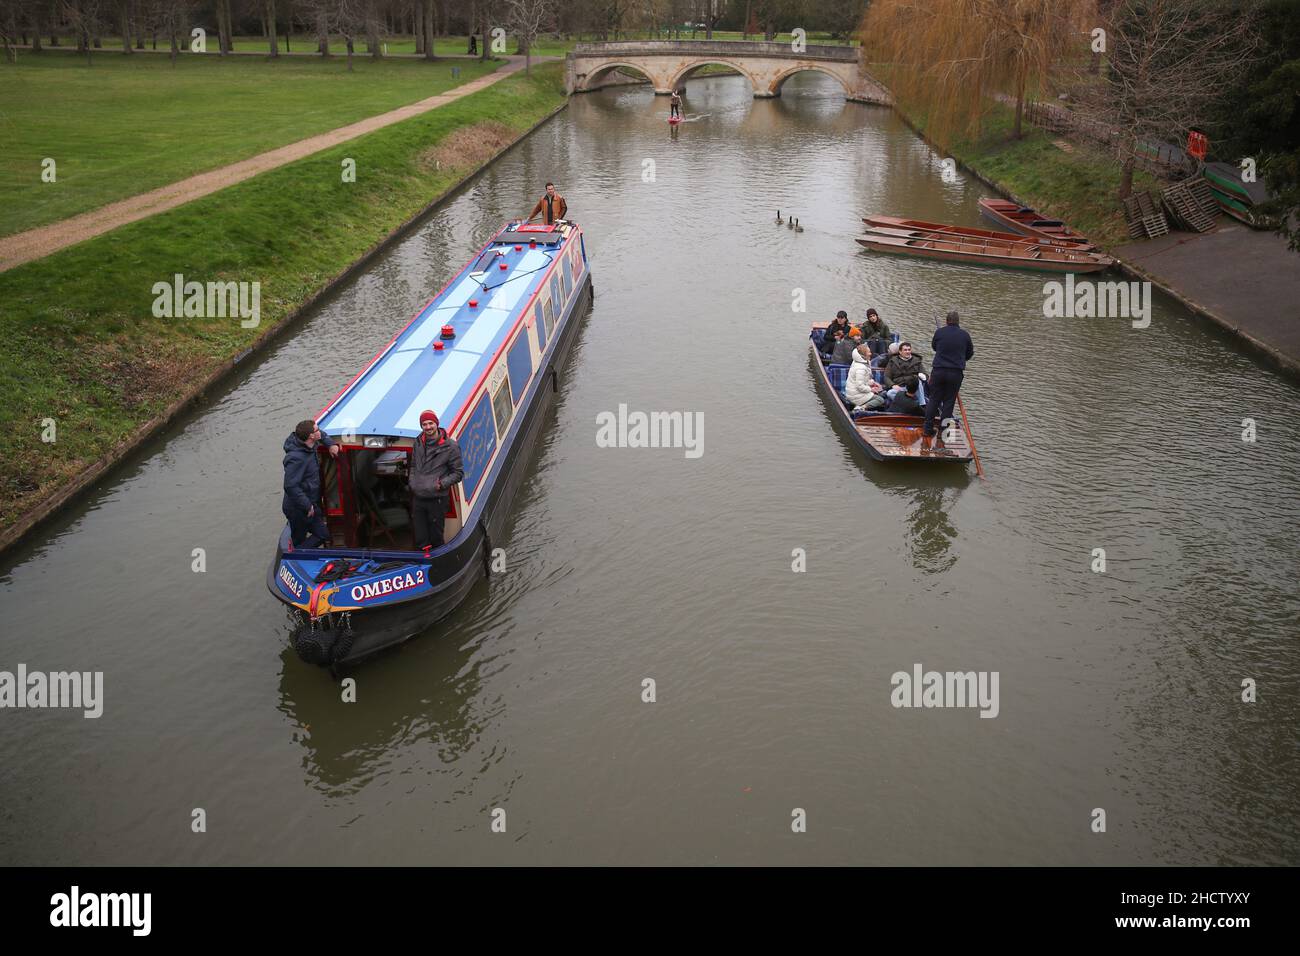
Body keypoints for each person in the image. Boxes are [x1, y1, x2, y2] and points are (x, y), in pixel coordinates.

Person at [409, 410, 464, 551]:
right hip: (419, 496)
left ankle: (438, 564)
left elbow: (458, 473)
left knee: (436, 536)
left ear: (436, 424)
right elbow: (414, 465)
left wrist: (440, 485)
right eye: (424, 424)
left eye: (430, 423)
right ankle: (424, 562)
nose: (428, 427)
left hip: (437, 498)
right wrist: (413, 482)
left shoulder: (451, 446)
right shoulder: (418, 443)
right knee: (420, 537)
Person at [282, 419, 339, 548]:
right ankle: (297, 554)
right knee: (299, 540)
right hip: (298, 508)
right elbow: (290, 486)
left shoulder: (309, 444)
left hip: (311, 504)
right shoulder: (296, 458)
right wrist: (307, 506)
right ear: (311, 436)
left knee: (324, 535)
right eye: (317, 430)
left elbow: (322, 435)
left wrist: (330, 444)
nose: (320, 431)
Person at [924, 311, 975, 438]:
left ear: (946, 321)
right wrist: (960, 358)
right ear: (958, 322)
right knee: (949, 402)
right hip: (955, 372)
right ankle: (943, 431)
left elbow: (934, 347)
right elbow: (970, 353)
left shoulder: (939, 332)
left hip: (939, 371)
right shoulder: (965, 335)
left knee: (934, 399)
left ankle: (927, 429)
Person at [845, 343, 887, 410]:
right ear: (864, 354)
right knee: (880, 400)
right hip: (855, 396)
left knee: (882, 392)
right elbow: (860, 386)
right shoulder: (861, 368)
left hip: (856, 392)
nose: (870, 353)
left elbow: (864, 380)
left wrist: (873, 383)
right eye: (869, 352)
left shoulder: (861, 362)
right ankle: (861, 408)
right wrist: (871, 389)